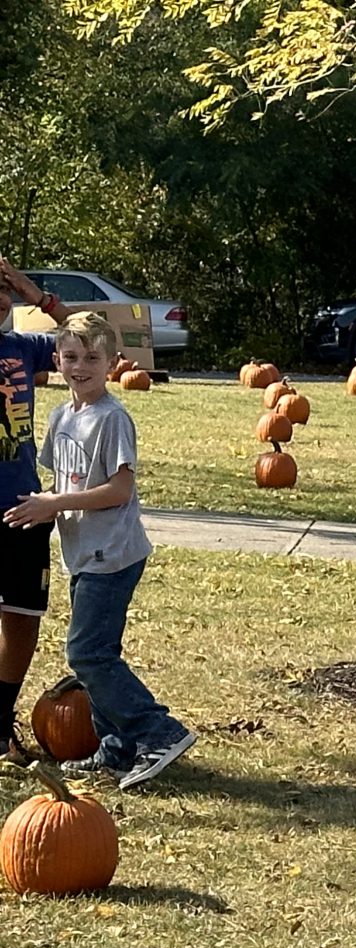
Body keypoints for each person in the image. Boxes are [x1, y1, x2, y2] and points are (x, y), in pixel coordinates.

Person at [3, 310, 197, 789]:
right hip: (83, 553)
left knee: (88, 654)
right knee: (96, 650)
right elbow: (61, 477)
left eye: (93, 357)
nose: (80, 365)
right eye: (71, 356)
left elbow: (118, 490)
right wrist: (48, 505)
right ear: (57, 360)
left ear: (113, 363)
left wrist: (57, 503)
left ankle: (159, 731)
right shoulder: (62, 416)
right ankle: (115, 749)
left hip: (113, 554)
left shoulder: (111, 418)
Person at [0, 257, 74, 764]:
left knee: (22, 614)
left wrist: (36, 294)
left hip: (23, 506)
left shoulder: (22, 348)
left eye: (2, 286)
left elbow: (92, 343)